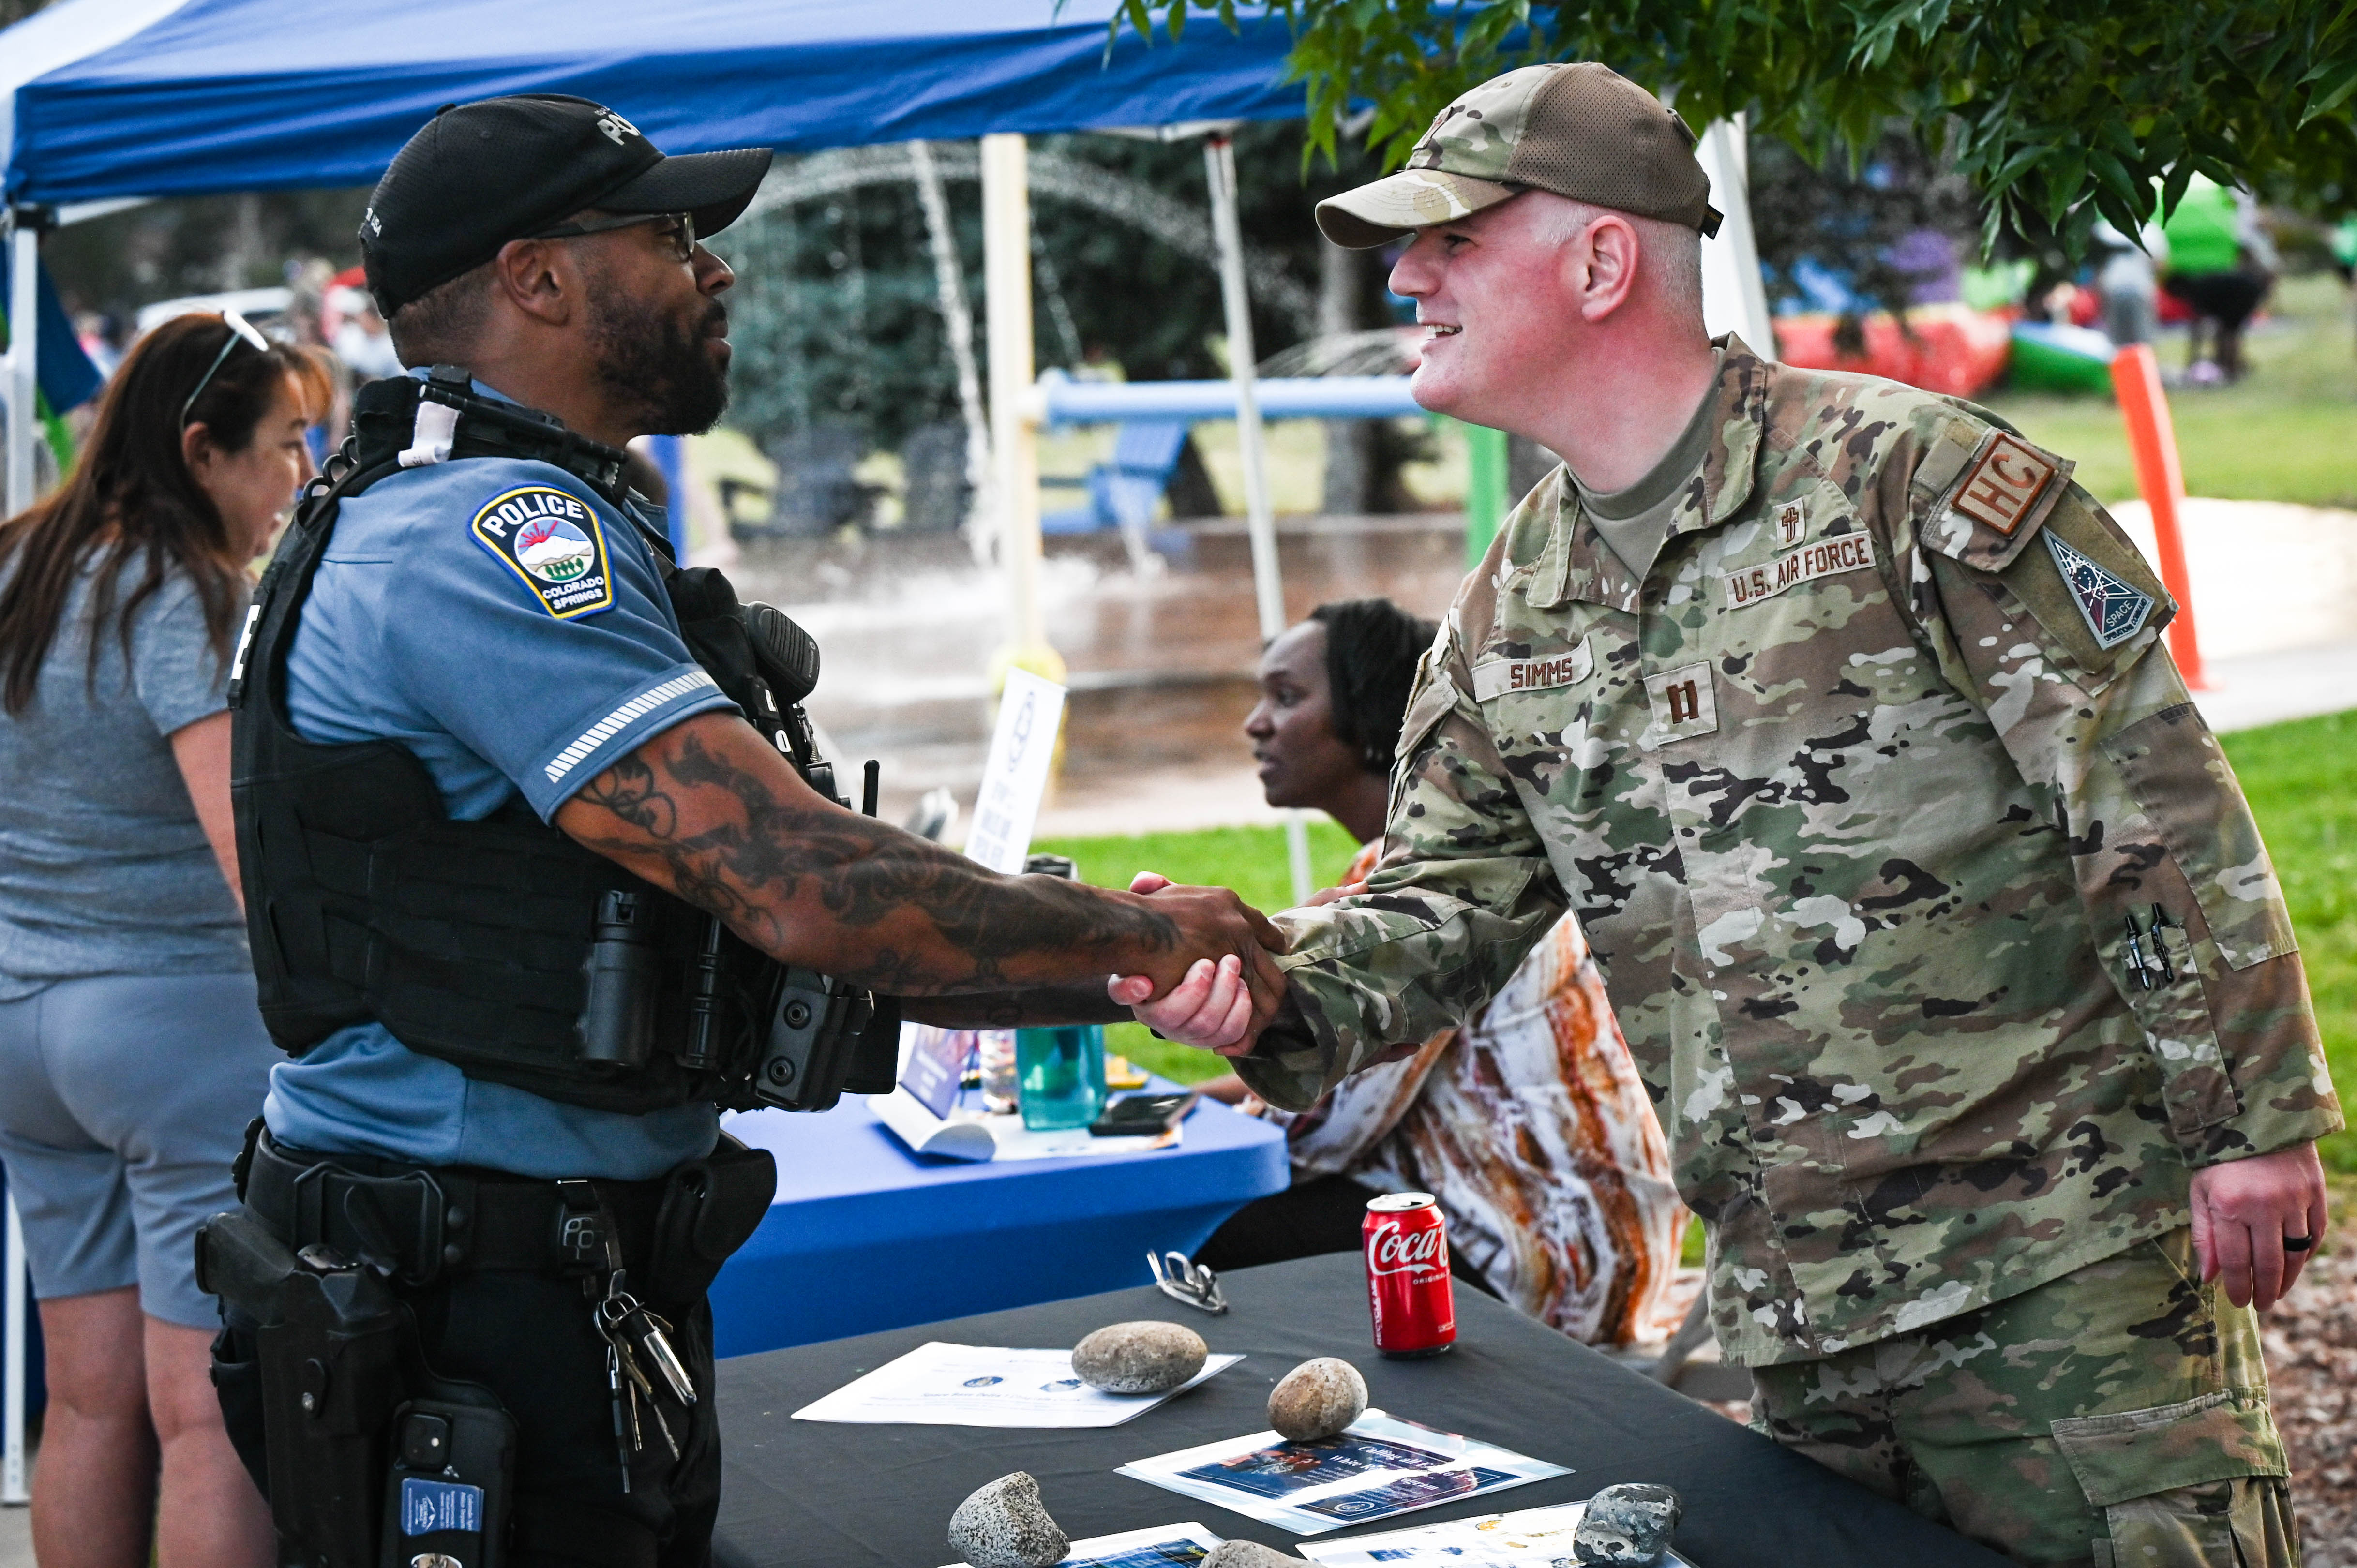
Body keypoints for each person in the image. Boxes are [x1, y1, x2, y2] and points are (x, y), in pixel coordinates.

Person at [1130, 61, 2339, 1568]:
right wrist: (1254, 990)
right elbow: (1432, 916)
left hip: (2060, 1284)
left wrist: (2253, 1125)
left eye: (1449, 237)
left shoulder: (1908, 482)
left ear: (1599, 259)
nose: (1405, 274)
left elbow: (2146, 801)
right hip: (1793, 1328)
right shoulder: (1512, 605)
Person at [212, 95, 1277, 1568]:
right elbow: (801, 884)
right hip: (483, 1295)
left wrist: (1117, 977)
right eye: (670, 235)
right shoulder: (487, 541)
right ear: (537, 277)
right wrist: (1154, 936)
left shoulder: (436, 505)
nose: (716, 270)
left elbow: (727, 932)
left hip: (505, 1265)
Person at [0, 311, 331, 1568]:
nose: (300, 476)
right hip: (166, 1038)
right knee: (204, 1413)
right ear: (203, 450)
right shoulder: (185, 592)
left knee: (83, 1399)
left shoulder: (22, 562)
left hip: (23, 1034)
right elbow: (247, 848)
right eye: (286, 446)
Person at [1192, 598, 1686, 1347]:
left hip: (1548, 1270)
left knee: (1201, 1235)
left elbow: (1319, 1128)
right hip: (1607, 1250)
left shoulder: (1413, 894)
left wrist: (1154, 1134)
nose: (1256, 723)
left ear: (1367, 716)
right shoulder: (1444, 866)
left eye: (1287, 697)